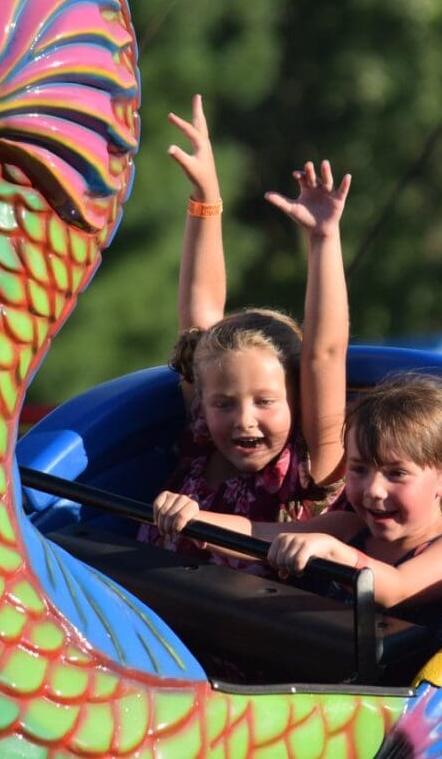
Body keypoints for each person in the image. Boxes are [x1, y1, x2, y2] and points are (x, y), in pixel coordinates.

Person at [139, 95, 351, 561]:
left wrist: (322, 239)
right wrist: (206, 199)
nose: (244, 419)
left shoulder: (309, 465)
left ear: (298, 397)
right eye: (224, 403)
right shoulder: (201, 437)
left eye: (265, 401)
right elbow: (200, 311)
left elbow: (325, 353)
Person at [153, 373, 442, 625]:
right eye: (359, 469)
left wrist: (331, 549)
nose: (373, 490)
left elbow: (394, 589)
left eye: (396, 474)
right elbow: (256, 534)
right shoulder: (348, 526)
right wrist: (193, 518)